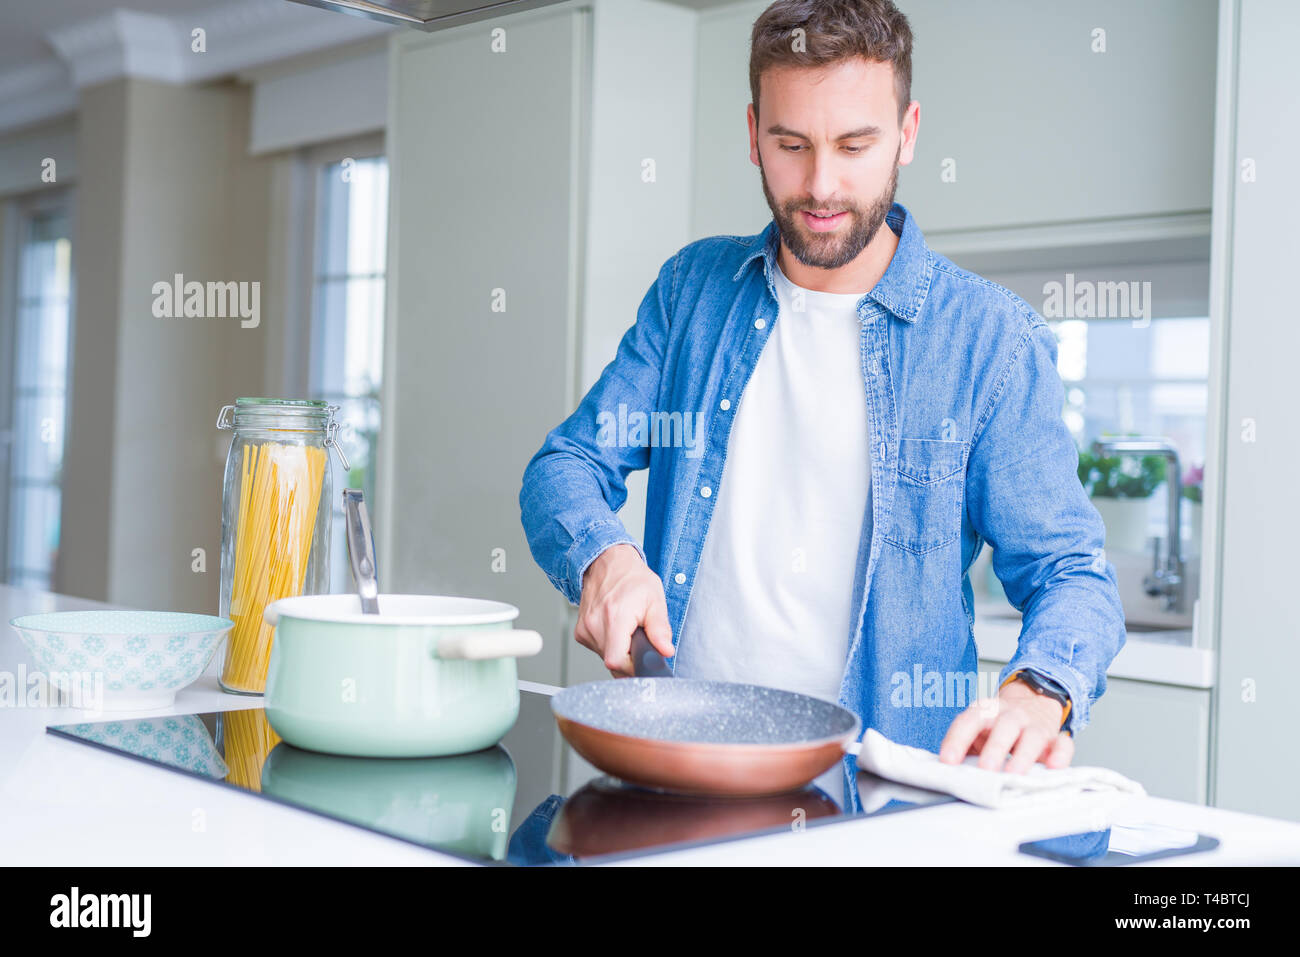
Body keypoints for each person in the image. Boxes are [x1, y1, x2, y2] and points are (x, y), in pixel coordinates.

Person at [520, 0, 1125, 773]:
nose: (820, 183)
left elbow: (1070, 571)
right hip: (683, 770)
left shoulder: (990, 343)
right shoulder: (693, 292)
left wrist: (1038, 689)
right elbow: (565, 465)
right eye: (791, 143)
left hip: (882, 806)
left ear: (907, 134)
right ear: (752, 135)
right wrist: (605, 554)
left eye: (855, 144)